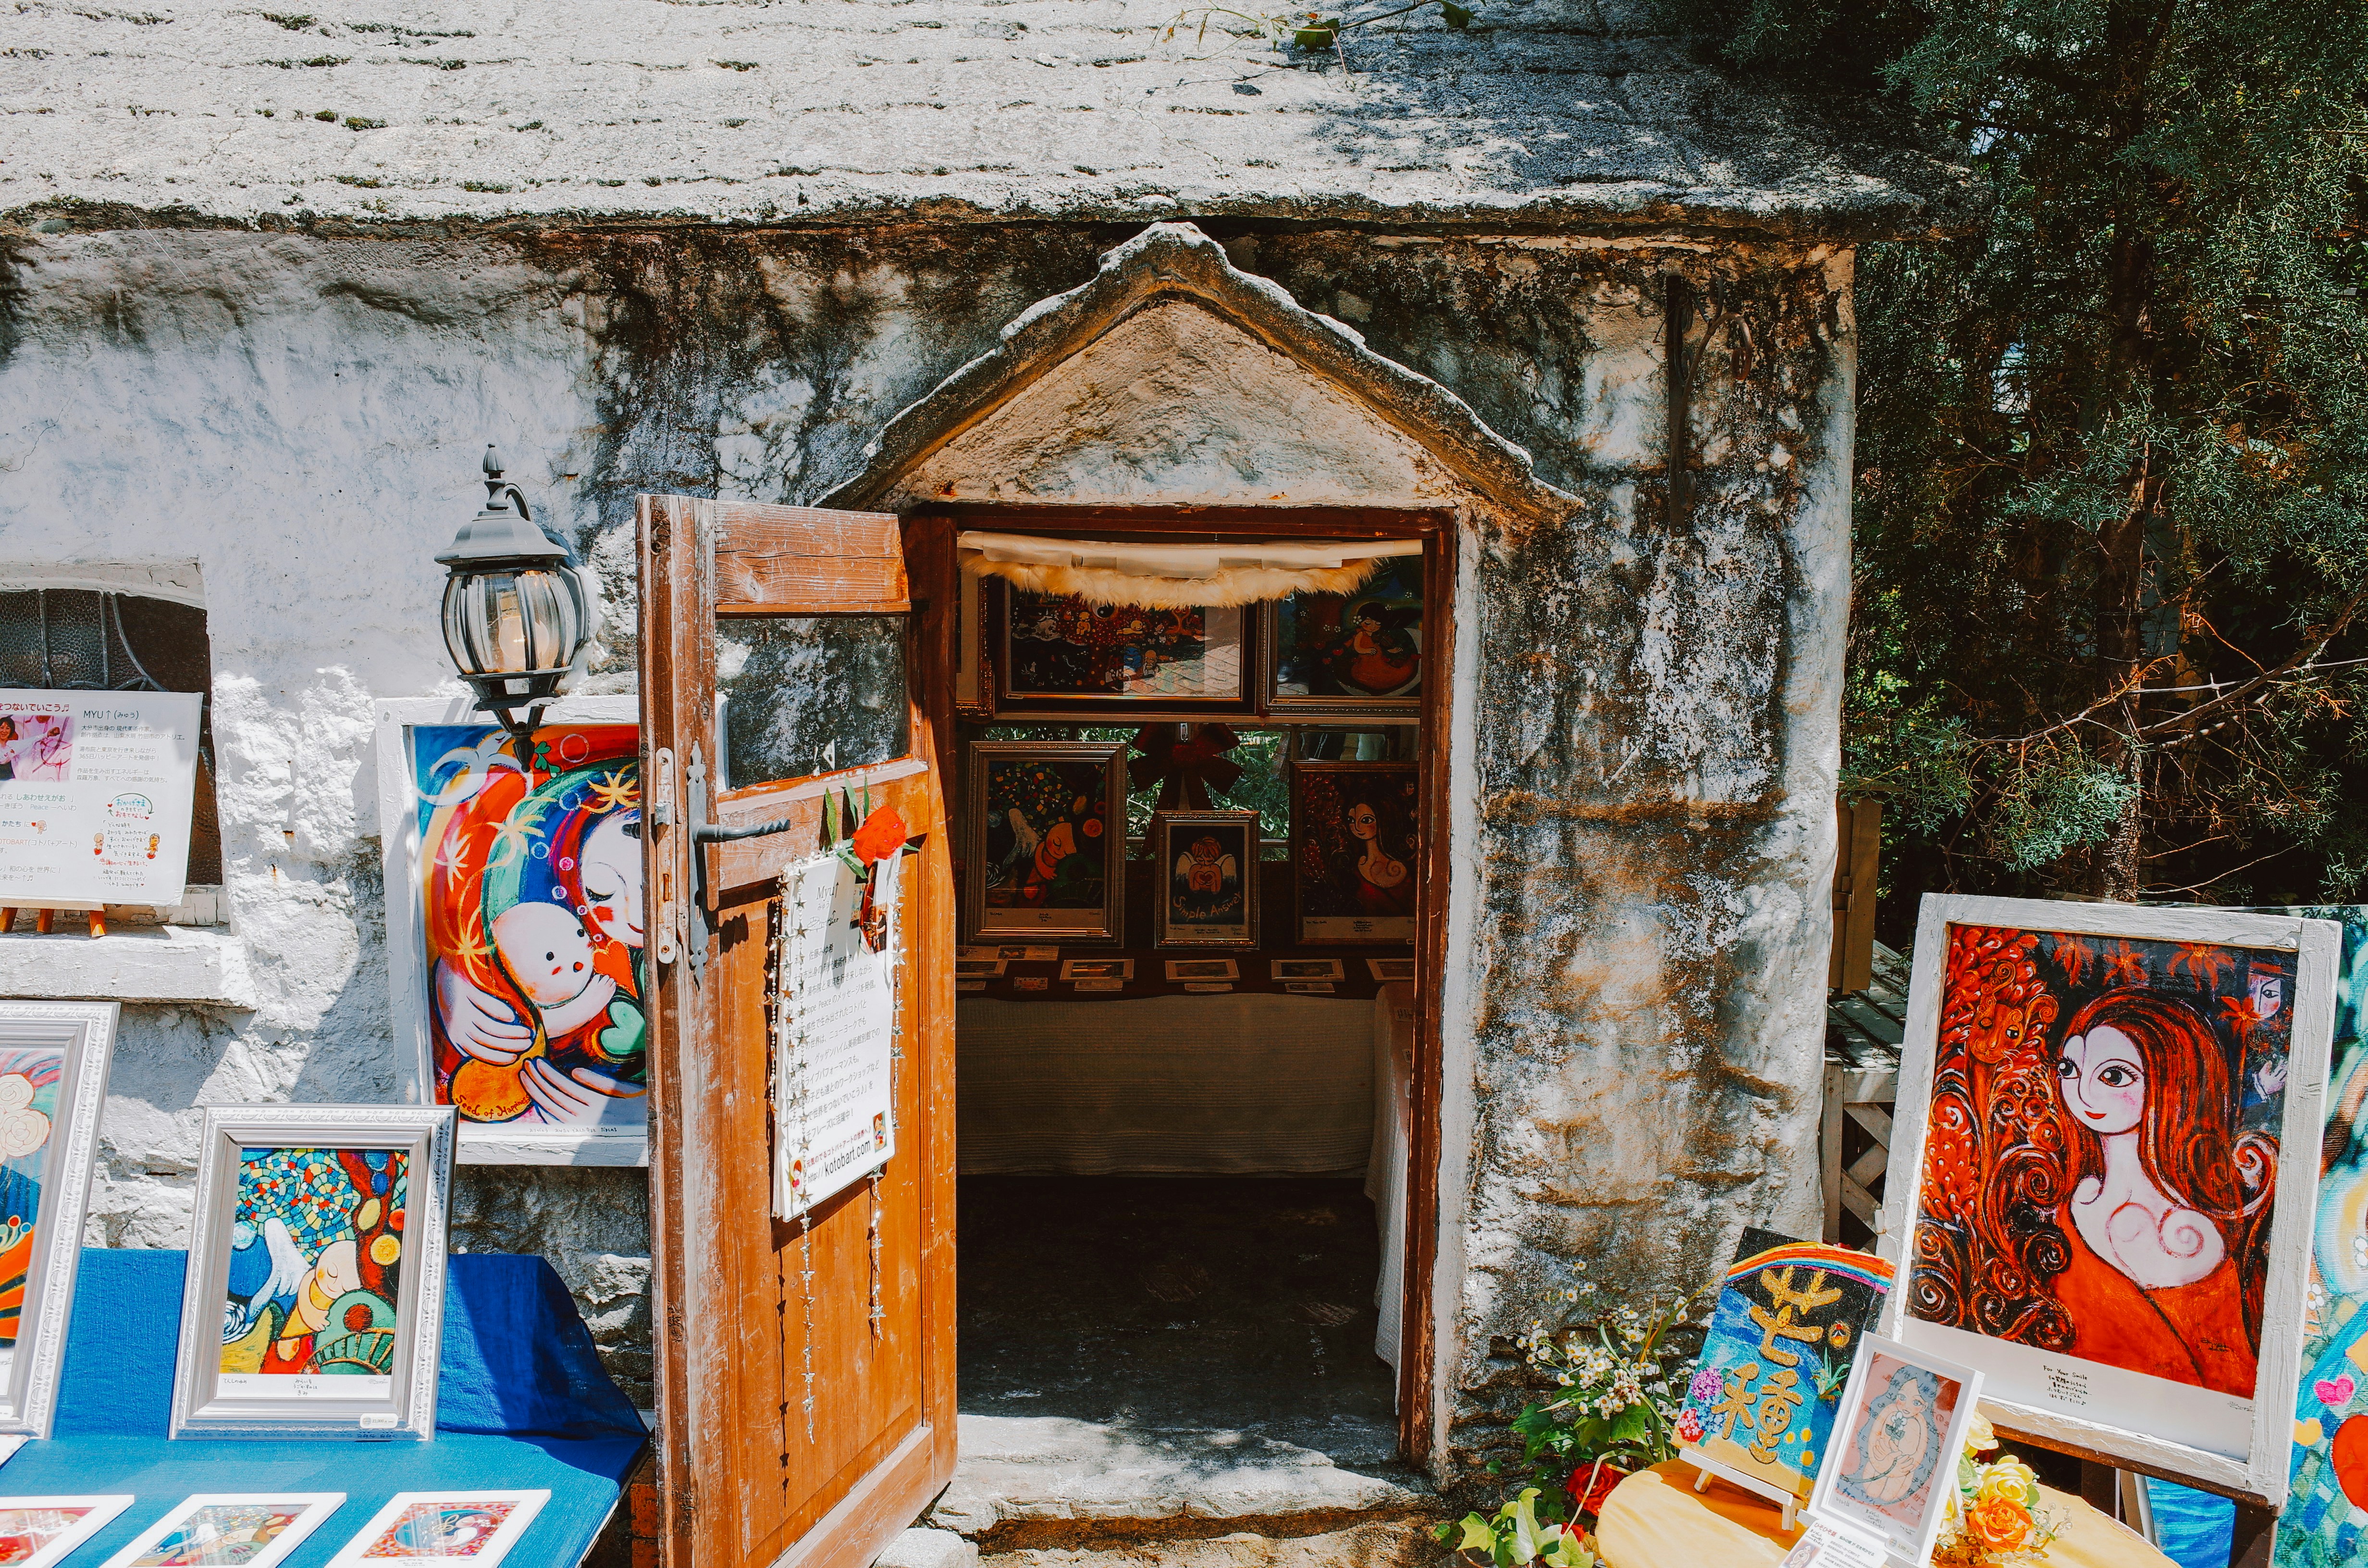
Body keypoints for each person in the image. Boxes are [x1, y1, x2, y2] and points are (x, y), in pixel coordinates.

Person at [2047, 988, 2275, 1396]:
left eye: (2114, 1076)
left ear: (2175, 1080)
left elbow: (2228, 1374)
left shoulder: (2200, 1229)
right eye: (2069, 1069)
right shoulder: (2069, 1202)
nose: (2082, 1093)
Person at [1345, 797, 1411, 915]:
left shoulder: (1404, 868)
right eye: (1351, 820)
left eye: (1366, 820)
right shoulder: (1353, 867)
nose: (1356, 827)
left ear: (1383, 820)